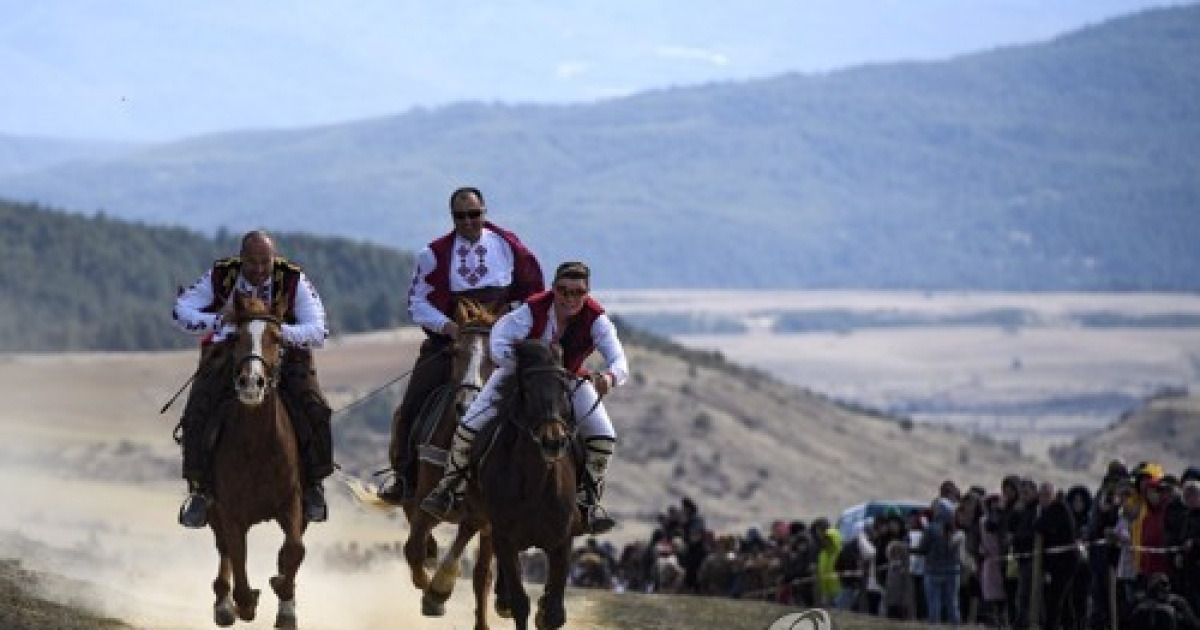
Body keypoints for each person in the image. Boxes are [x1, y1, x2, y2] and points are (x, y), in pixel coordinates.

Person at [419, 261, 628, 535]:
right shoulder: (532, 309)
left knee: (605, 436)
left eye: (578, 293)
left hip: (569, 380)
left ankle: (589, 501)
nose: (571, 299)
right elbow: (498, 340)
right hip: (518, 377)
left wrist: (609, 378)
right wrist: (519, 368)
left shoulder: (597, 319)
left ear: (587, 293)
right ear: (554, 290)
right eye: (564, 291)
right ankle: (448, 488)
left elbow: (619, 360)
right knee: (468, 428)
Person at [378, 187, 544, 503]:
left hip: (503, 342)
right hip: (451, 343)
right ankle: (404, 476)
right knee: (411, 405)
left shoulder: (510, 247)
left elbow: (534, 294)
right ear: (451, 217)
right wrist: (450, 328)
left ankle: (552, 477)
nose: (468, 221)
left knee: (545, 399)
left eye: (474, 214)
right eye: (460, 216)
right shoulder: (433, 254)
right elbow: (417, 303)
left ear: (485, 212)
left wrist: (509, 319)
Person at [171, 230, 333, 527]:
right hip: (229, 354)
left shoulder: (293, 279)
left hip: (286, 355)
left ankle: (314, 487)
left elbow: (318, 329)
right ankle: (199, 491)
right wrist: (221, 322)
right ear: (241, 258)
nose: (259, 269)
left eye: (265, 262)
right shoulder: (222, 274)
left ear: (274, 259)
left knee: (316, 409)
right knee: (196, 413)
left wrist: (272, 333)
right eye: (252, 262)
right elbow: (181, 311)